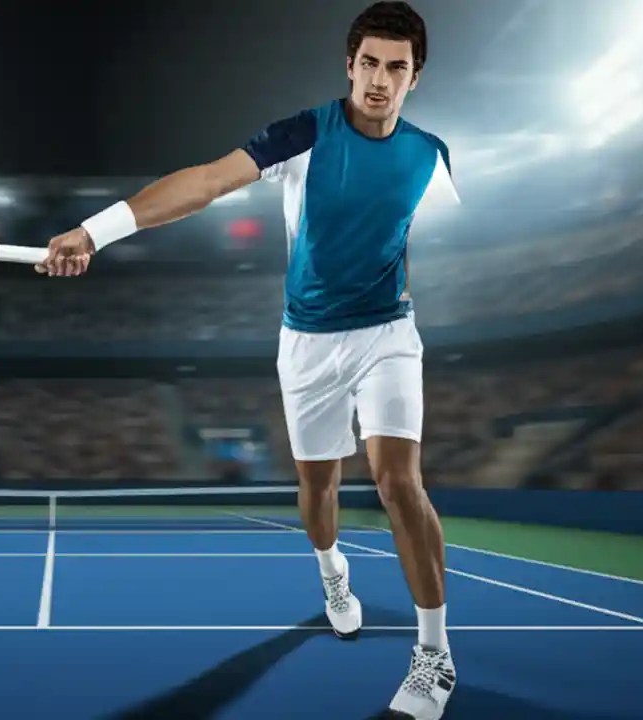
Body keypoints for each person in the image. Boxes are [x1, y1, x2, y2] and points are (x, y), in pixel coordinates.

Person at [35, 2, 459, 718]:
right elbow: (205, 182)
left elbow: (414, 229)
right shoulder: (303, 135)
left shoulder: (432, 156)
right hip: (307, 342)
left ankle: (434, 655)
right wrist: (94, 231)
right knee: (318, 494)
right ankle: (332, 572)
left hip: (387, 334)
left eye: (397, 67)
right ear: (348, 65)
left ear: (415, 78)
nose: (379, 80)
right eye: (369, 63)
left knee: (398, 481)